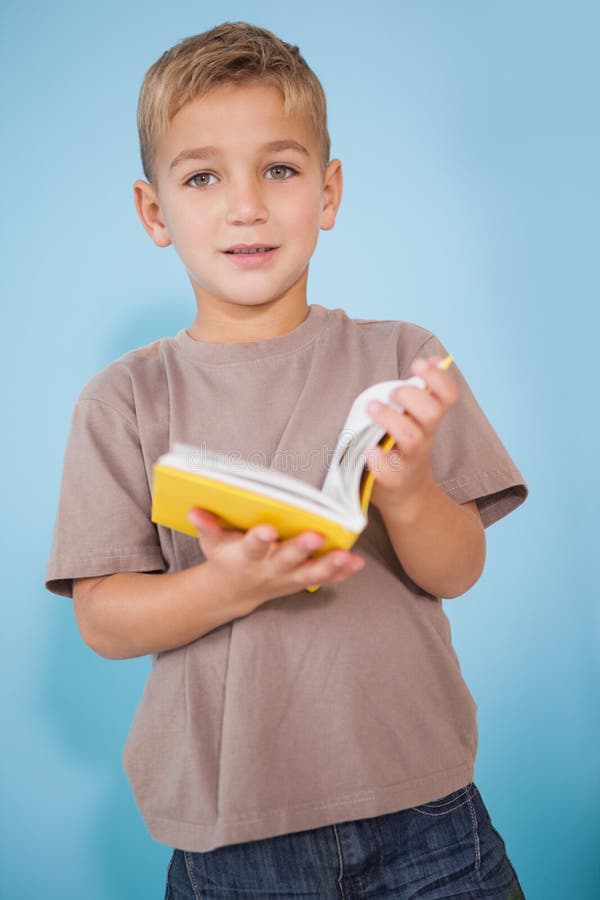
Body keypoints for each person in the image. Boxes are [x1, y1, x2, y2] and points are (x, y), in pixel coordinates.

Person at [45, 21, 528, 899]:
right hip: (234, 841)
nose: (246, 205)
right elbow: (102, 618)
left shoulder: (402, 358)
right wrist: (227, 586)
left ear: (329, 191)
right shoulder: (123, 401)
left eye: (279, 168)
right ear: (155, 212)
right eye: (202, 177)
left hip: (425, 809)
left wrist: (411, 488)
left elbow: (458, 570)